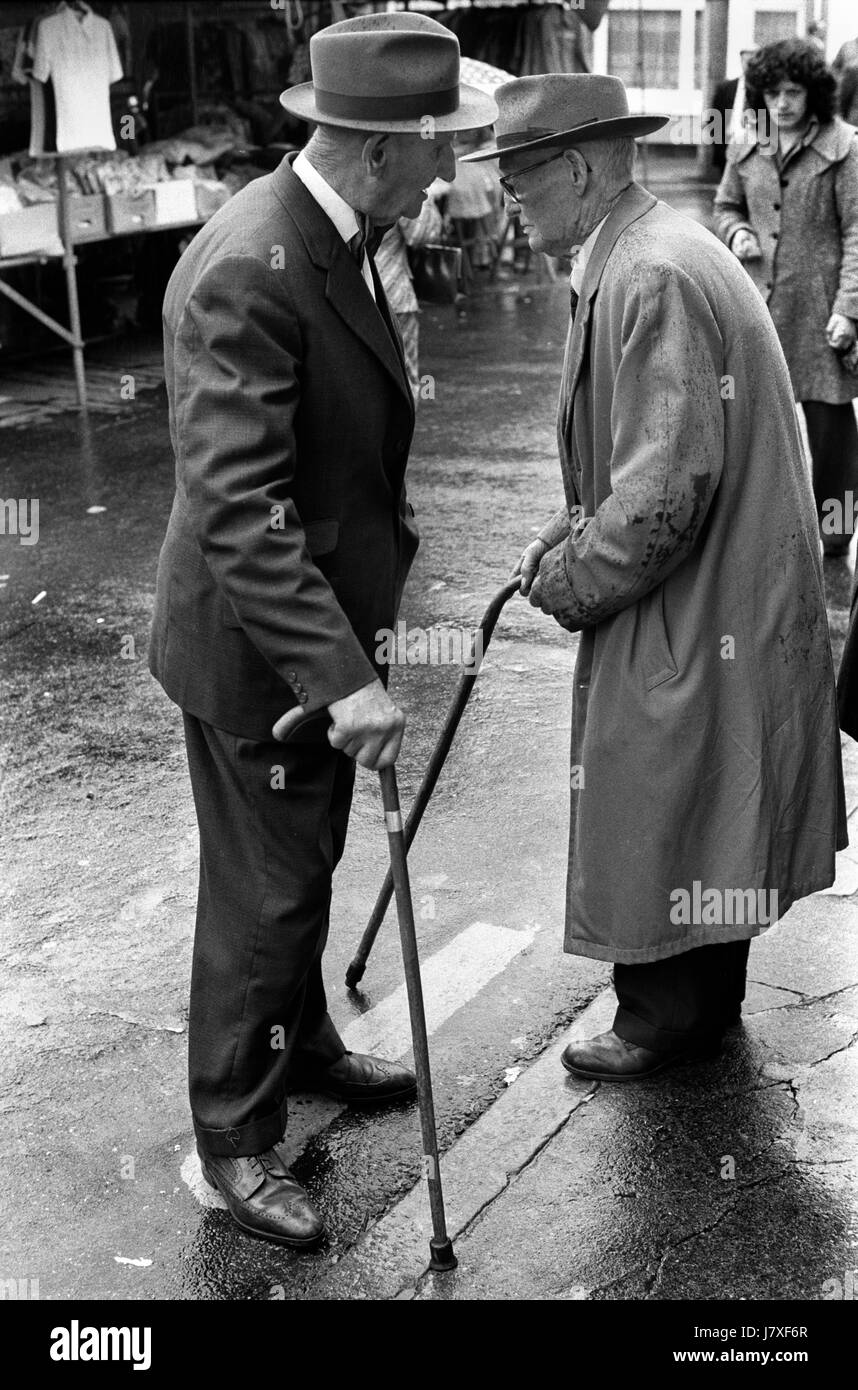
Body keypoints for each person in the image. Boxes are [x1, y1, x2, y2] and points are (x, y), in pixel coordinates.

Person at [148, 13, 496, 1246]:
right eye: (435, 147)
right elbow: (241, 507)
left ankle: (297, 1052)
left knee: (294, 870)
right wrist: (344, 678)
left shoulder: (329, 229)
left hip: (303, 636)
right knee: (268, 892)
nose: (448, 171)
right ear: (377, 148)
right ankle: (232, 1145)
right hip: (265, 658)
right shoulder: (260, 259)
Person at [461, 74, 846, 1082]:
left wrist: (574, 579)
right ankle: (694, 1005)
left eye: (518, 175)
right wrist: (568, 527)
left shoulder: (646, 272)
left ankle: (662, 1019)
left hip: (708, 594)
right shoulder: (648, 250)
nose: (506, 196)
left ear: (577, 172)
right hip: (730, 586)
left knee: (665, 782)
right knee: (707, 793)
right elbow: (643, 455)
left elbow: (664, 493)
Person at [714, 38, 858, 556]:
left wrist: (849, 310)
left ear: (813, 91)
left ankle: (836, 534)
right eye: (772, 92)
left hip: (822, 310)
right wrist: (737, 234)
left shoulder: (846, 145)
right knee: (754, 422)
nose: (782, 103)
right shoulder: (746, 144)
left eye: (793, 91)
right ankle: (762, 528)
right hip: (758, 307)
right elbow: (726, 205)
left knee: (831, 430)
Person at [710, 46, 758, 174]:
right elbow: (714, 119)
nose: (749, 65)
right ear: (741, 61)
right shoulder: (726, 88)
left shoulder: (765, 91)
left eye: (753, 61)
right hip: (728, 145)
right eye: (746, 61)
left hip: (754, 148)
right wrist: (719, 146)